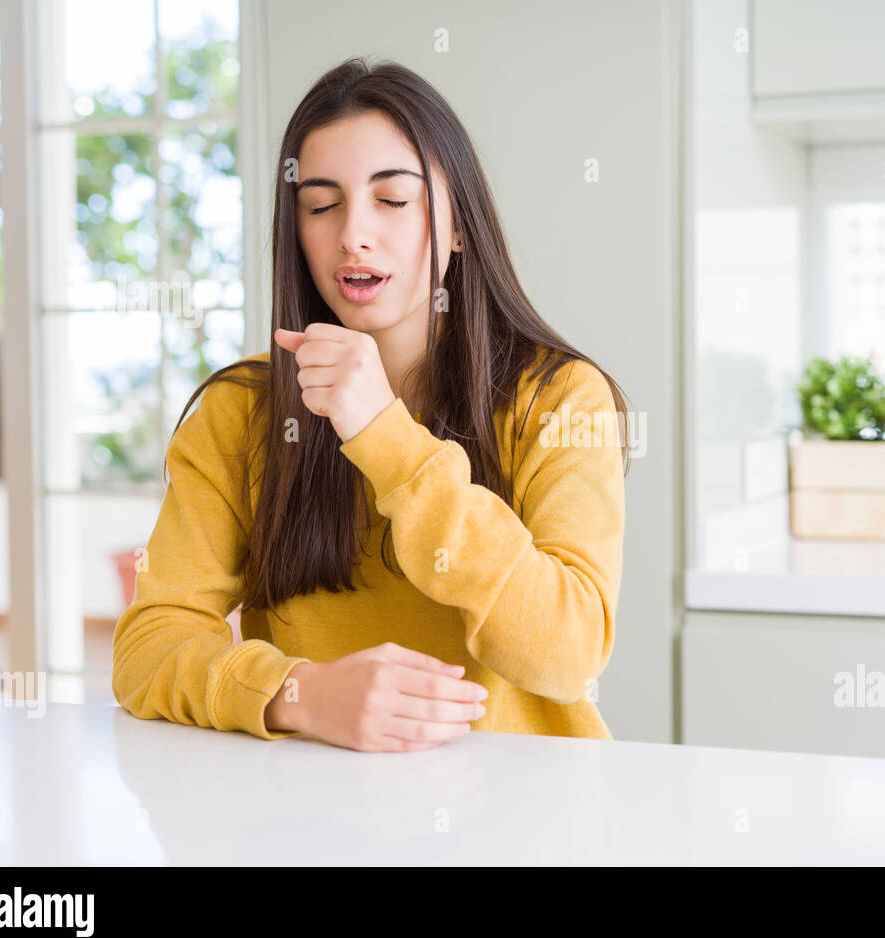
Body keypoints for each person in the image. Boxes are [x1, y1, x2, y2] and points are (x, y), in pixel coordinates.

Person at [112, 57, 631, 752]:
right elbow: (149, 644)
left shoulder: (562, 399)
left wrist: (386, 436)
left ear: (459, 226)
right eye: (322, 205)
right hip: (319, 819)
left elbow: (568, 652)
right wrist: (300, 692)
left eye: (393, 200)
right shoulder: (240, 411)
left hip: (526, 824)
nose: (354, 232)